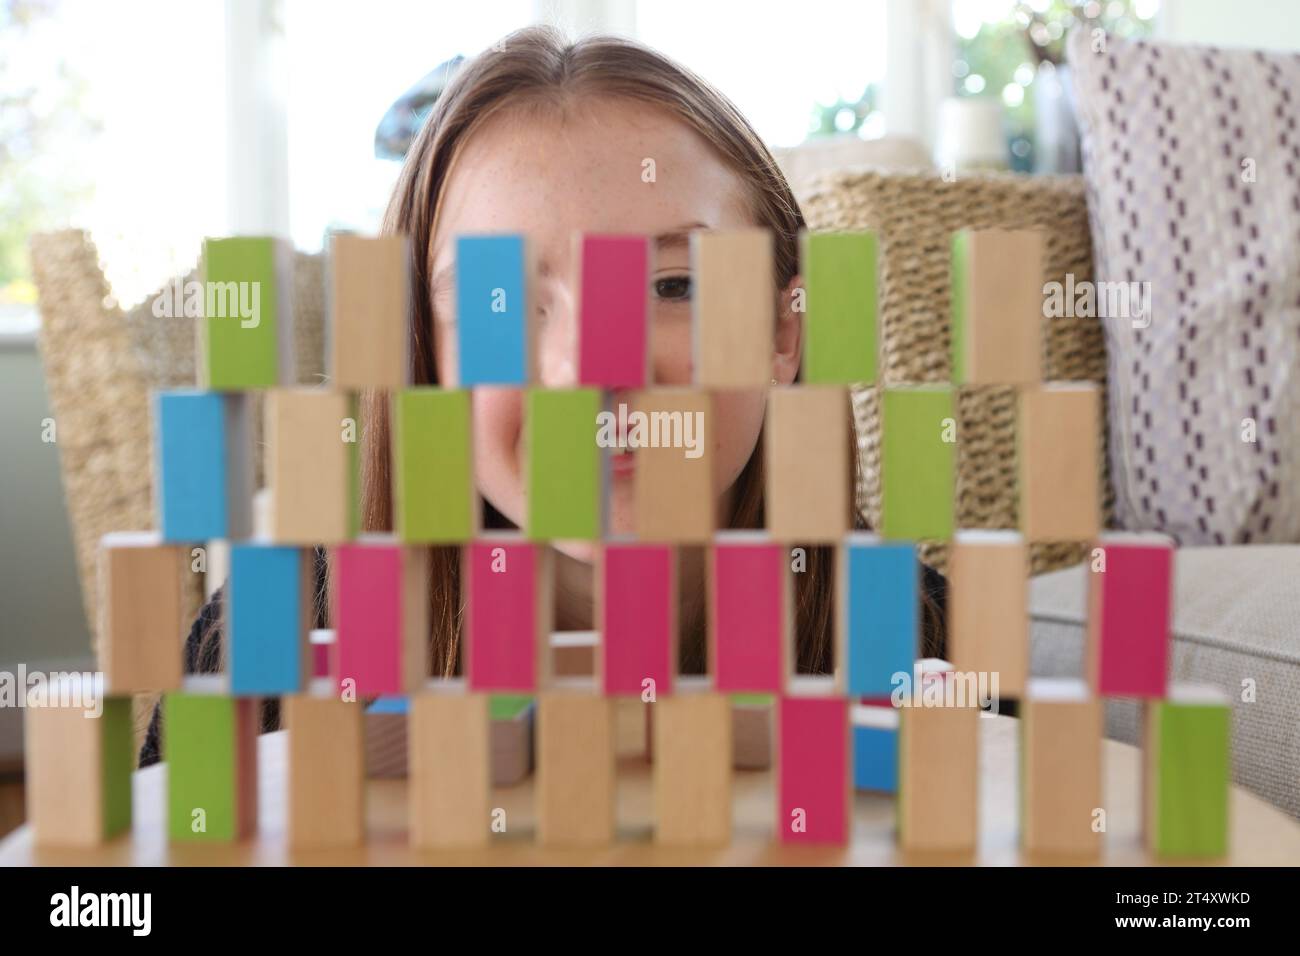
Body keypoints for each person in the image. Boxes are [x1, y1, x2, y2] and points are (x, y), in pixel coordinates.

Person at [140, 25, 945, 767]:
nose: (583, 372)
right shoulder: (269, 637)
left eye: (673, 284)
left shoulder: (916, 634)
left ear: (784, 332)